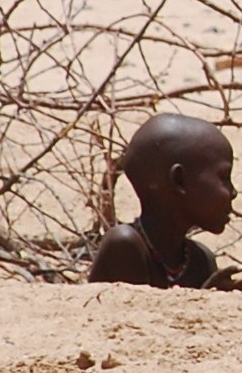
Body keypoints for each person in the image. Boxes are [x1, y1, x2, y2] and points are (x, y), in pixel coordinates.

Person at [88, 114, 233, 288]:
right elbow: (137, 312)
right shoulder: (125, 245)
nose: (233, 192)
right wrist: (205, 296)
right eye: (224, 177)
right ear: (179, 180)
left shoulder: (201, 260)